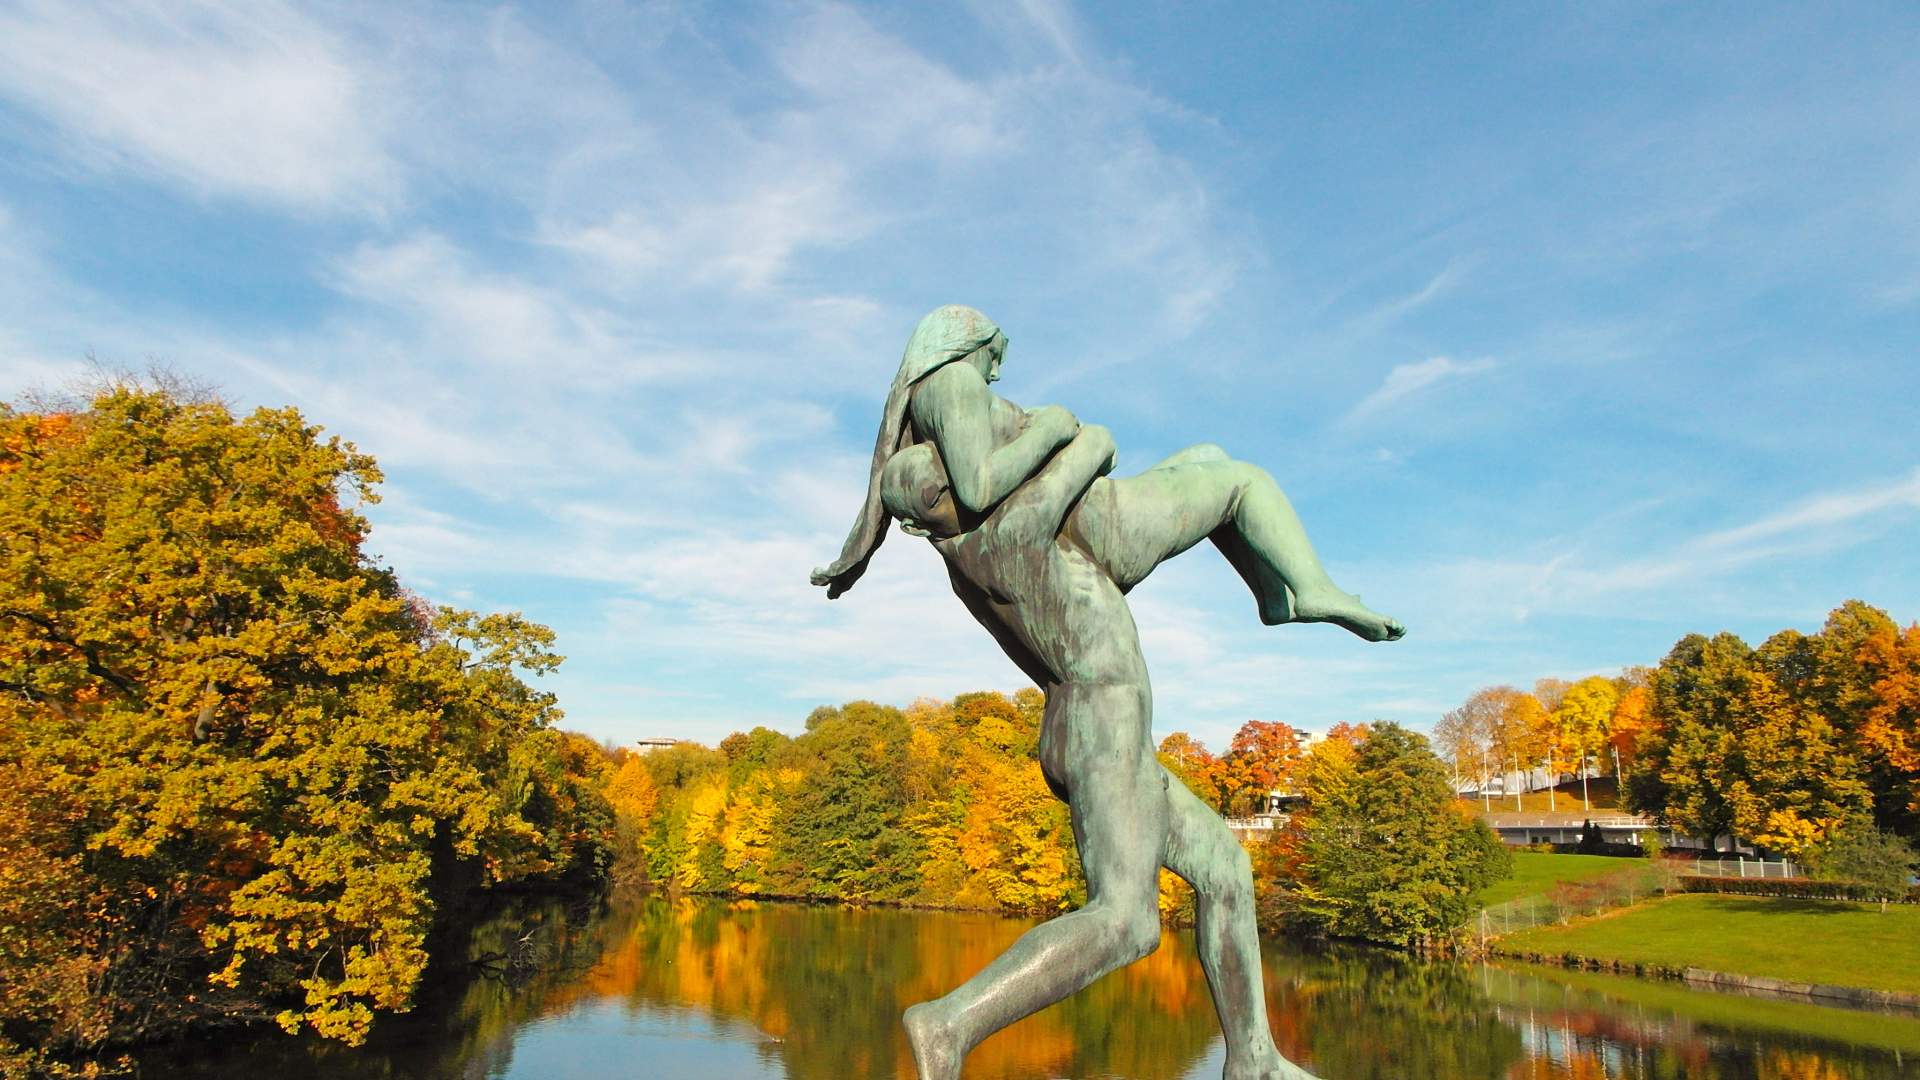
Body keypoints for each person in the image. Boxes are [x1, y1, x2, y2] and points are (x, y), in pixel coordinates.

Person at [812, 306, 1397, 1080]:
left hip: (1090, 725)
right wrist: (1065, 429)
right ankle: (949, 1023)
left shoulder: (981, 548)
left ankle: (1253, 1058)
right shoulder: (999, 539)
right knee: (1125, 922)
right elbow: (1081, 449)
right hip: (1101, 719)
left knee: (1225, 867)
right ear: (938, 504)